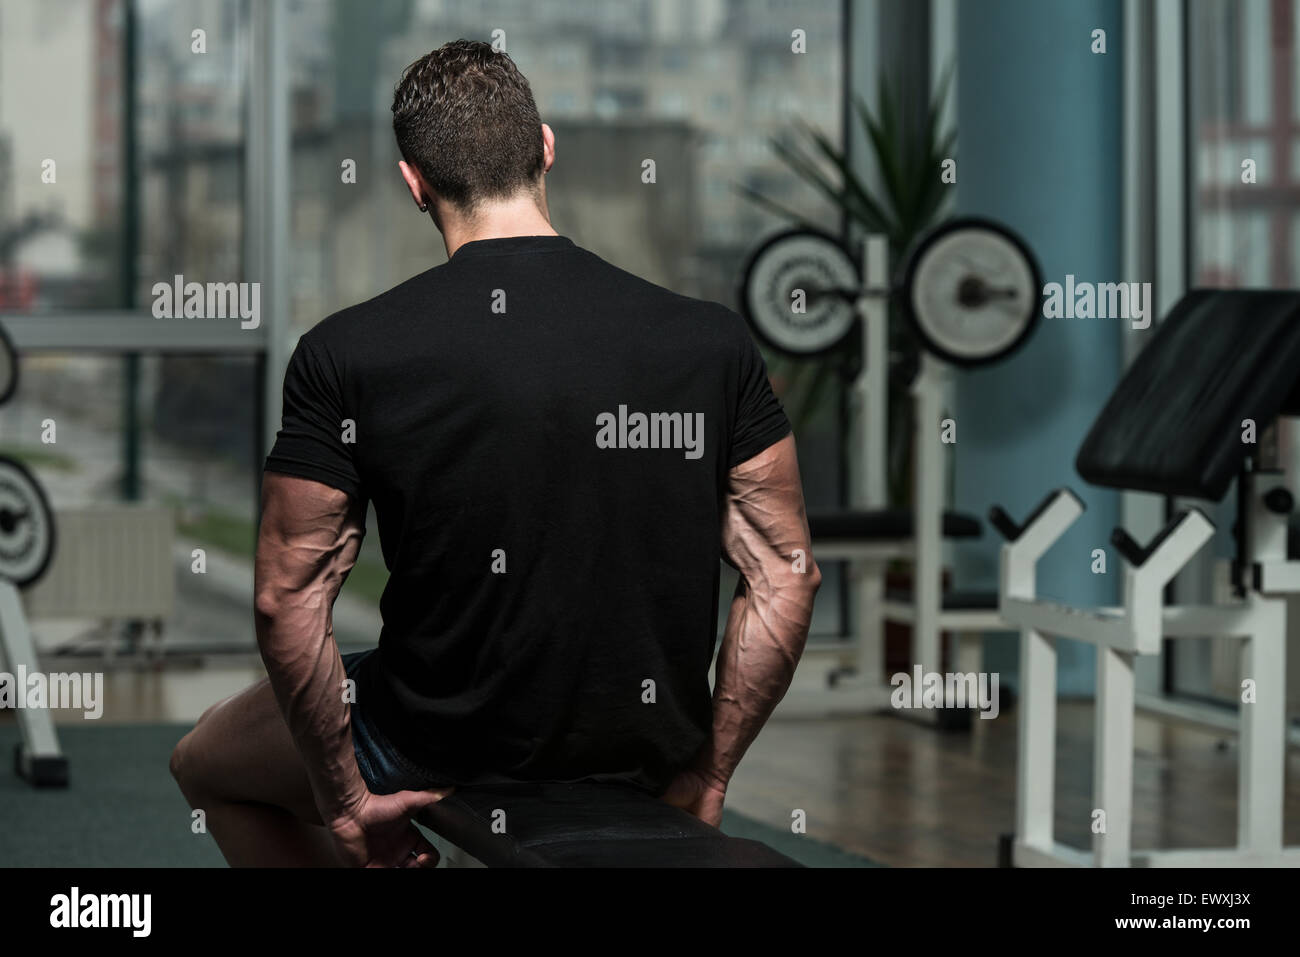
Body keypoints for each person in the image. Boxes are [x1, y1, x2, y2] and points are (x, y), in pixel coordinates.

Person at [170, 39, 820, 868]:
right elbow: (785, 572)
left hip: (433, 739)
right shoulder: (711, 342)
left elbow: (283, 599)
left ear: (414, 183)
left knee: (202, 763)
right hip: (648, 737)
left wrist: (345, 799)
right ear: (546, 148)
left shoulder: (350, 352)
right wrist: (706, 770)